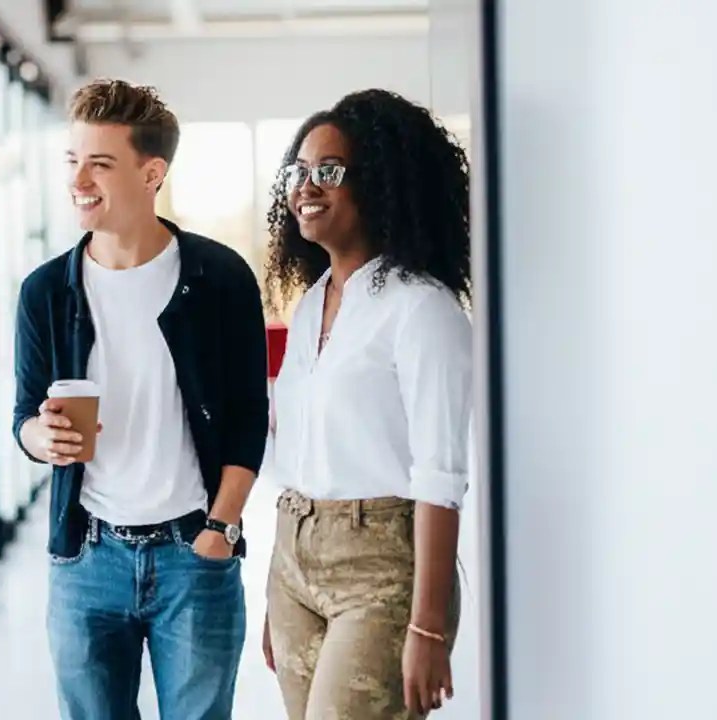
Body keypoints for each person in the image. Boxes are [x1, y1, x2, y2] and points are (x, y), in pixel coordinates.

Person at [12, 78, 269, 720]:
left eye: (100, 164)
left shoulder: (220, 278)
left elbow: (248, 419)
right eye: (72, 161)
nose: (79, 181)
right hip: (86, 561)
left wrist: (221, 528)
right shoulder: (46, 292)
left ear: (152, 172)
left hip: (194, 556)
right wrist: (37, 438)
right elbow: (23, 416)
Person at [260, 89, 473, 719]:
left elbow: (441, 477)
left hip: (382, 570)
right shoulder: (309, 305)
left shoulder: (421, 308)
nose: (307, 186)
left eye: (329, 171)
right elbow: (299, 453)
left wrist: (428, 627)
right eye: (299, 172)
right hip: (294, 558)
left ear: (377, 183)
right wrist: (279, 586)